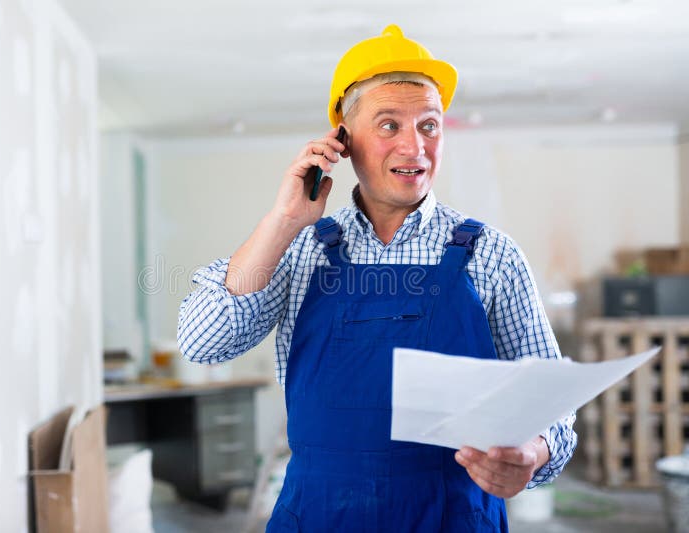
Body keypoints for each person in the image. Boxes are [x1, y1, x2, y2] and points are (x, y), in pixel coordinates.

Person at [178, 24, 576, 532]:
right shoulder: (298, 249)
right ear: (341, 139)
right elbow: (202, 342)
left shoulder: (493, 255)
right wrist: (282, 221)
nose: (414, 147)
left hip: (451, 515)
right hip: (320, 516)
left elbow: (549, 403)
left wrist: (535, 451)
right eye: (389, 125)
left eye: (429, 126)